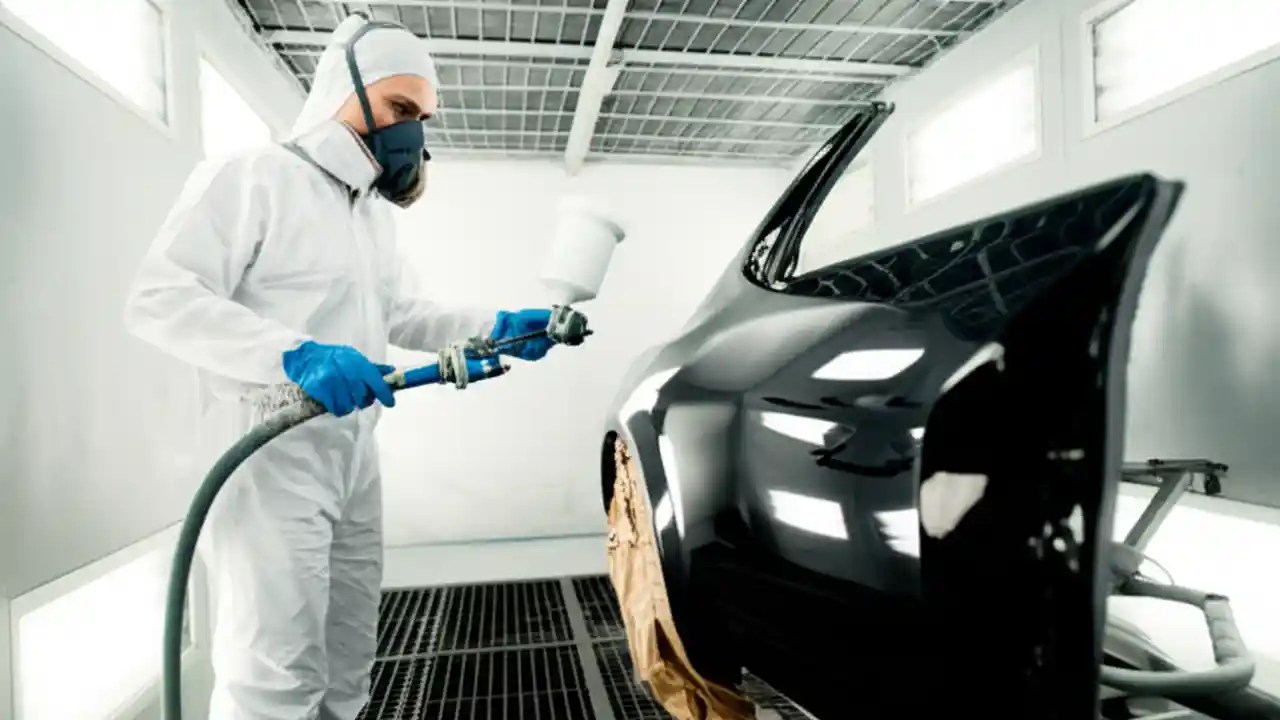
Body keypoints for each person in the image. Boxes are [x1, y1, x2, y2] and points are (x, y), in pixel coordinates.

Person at [123, 14, 555, 719]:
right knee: (276, 672)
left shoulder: (369, 217)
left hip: (353, 454)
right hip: (268, 452)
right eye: (400, 110)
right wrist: (292, 353)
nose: (411, 134)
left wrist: (492, 328)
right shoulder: (254, 176)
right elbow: (159, 296)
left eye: (420, 118)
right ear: (344, 88)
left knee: (349, 660)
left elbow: (403, 312)